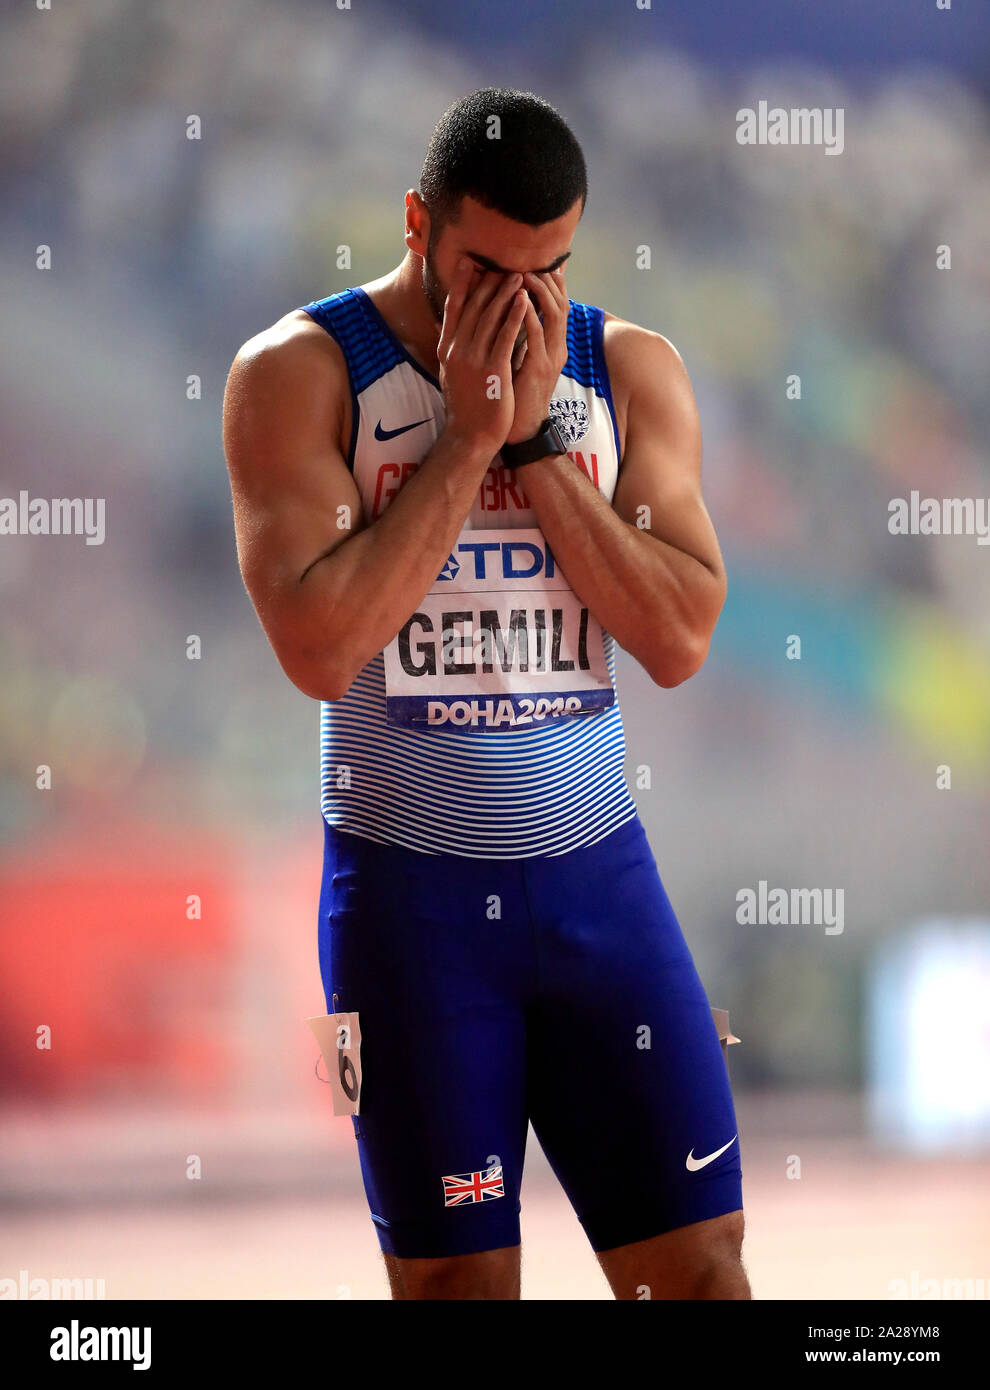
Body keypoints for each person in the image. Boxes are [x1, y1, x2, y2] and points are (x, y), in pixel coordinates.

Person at [222, 87, 749, 1301]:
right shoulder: (300, 373)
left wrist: (529, 449)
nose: (523, 305)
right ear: (417, 223)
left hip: (598, 888)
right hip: (412, 914)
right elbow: (321, 647)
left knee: (704, 1276)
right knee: (459, 1295)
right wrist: (461, 444)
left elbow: (677, 637)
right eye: (488, 271)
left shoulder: (626, 369)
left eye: (550, 268)